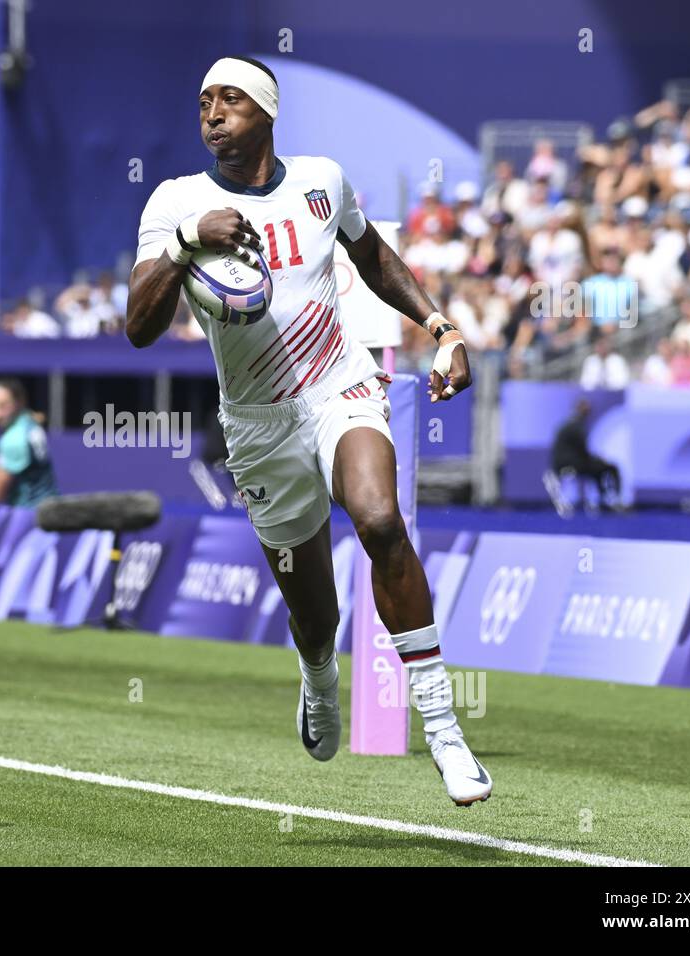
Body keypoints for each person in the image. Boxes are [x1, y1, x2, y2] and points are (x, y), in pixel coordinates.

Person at [126, 57, 491, 805]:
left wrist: (441, 325)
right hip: (257, 424)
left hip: (339, 387)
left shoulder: (321, 181)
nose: (213, 112)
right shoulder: (175, 201)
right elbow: (138, 326)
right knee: (313, 611)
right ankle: (319, 675)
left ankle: (445, 731)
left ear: (266, 111)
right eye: (204, 101)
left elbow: (374, 256)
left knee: (381, 521)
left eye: (230, 99)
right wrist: (188, 240)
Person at [0, 377, 58, 507]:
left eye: (3, 406)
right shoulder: (29, 423)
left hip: (29, 515)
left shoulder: (14, 439)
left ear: (19, 402)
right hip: (49, 509)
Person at [551, 399, 623, 510]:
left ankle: (604, 500)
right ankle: (614, 500)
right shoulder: (577, 427)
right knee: (610, 467)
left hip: (562, 463)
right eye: (586, 410)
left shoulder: (570, 423)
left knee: (597, 470)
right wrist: (599, 460)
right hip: (572, 464)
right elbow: (583, 452)